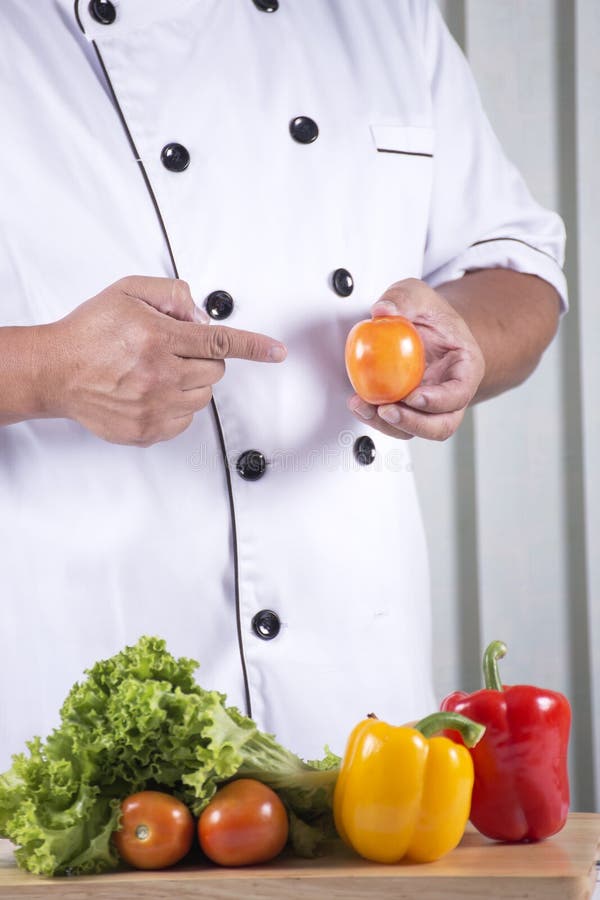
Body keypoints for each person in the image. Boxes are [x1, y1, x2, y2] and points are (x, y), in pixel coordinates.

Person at [0, 0, 566, 770]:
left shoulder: (383, 17)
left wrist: (461, 338)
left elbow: (514, 266)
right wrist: (44, 370)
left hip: (358, 697)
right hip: (83, 678)